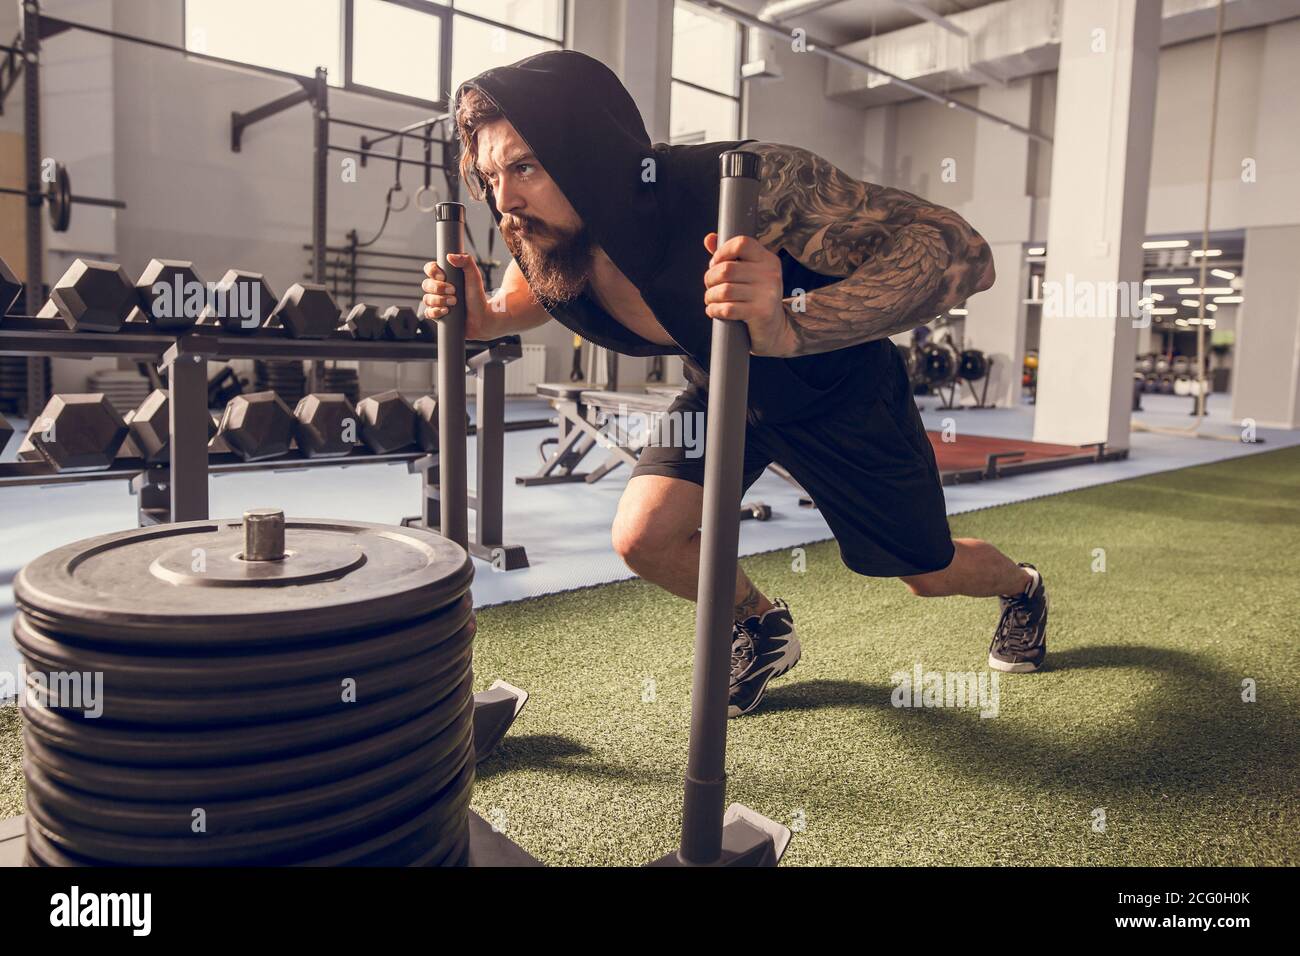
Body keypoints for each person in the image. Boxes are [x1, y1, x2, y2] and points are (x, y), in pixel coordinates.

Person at [421, 51, 1048, 717]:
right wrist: (484, 317)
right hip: (726, 385)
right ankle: (762, 625)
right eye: (491, 177)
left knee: (927, 572)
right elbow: (537, 290)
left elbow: (962, 253)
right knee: (645, 538)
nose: (505, 200)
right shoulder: (545, 234)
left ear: (590, 154)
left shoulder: (746, 186)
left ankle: (1022, 586)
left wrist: (792, 322)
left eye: (524, 166)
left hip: (839, 392)